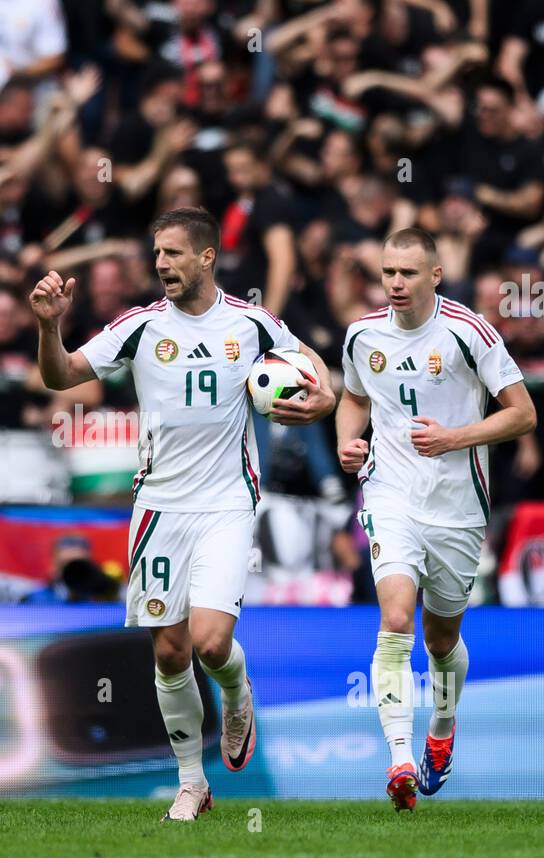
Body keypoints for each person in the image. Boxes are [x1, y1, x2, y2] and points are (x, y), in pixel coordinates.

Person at [29, 206, 336, 821]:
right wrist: (49, 328)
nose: (161, 264)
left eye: (173, 253)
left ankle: (237, 693)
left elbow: (314, 367)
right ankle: (192, 782)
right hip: (158, 506)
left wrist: (324, 398)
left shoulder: (251, 323)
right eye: (157, 253)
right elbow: (60, 376)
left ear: (205, 257)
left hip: (226, 502)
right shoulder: (138, 328)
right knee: (169, 653)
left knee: (210, 640)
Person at [337, 228, 536, 811]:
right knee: (396, 617)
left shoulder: (468, 332)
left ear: (435, 275)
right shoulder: (361, 335)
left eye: (408, 273)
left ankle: (441, 729)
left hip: (457, 509)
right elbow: (353, 397)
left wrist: (456, 437)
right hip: (389, 495)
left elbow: (523, 415)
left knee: (441, 636)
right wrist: (352, 441)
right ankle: (399, 761)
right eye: (388, 273)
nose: (396, 284)